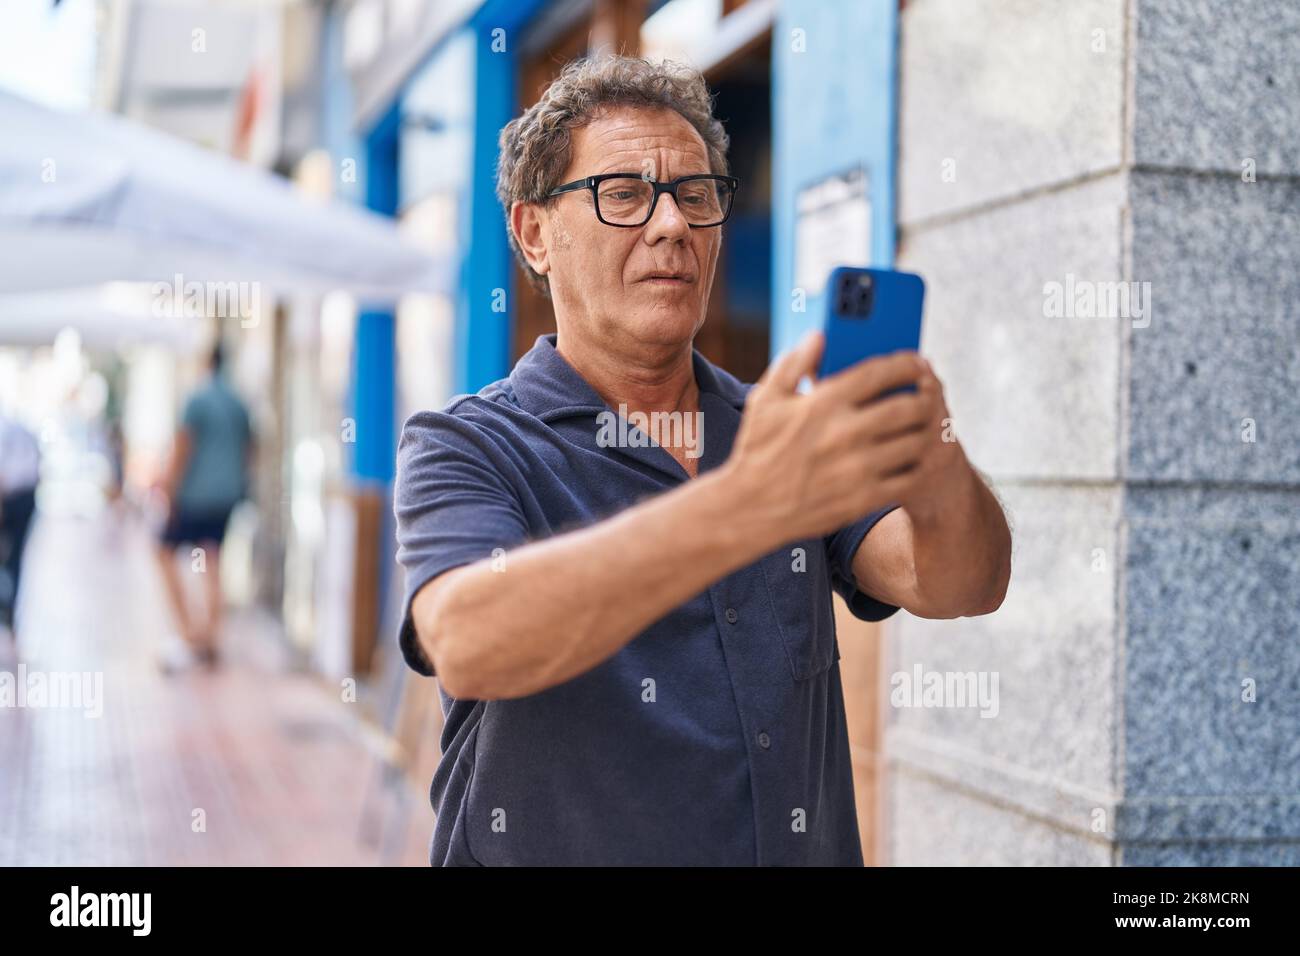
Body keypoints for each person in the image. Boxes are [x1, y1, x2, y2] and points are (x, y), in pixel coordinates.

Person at [394, 56, 1012, 866]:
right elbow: (468, 638)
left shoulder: (782, 432)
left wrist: (936, 462)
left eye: (696, 195)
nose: (672, 226)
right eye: (623, 195)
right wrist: (743, 506)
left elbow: (965, 582)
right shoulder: (467, 445)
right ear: (535, 233)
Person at [155, 342, 253, 673]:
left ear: (205, 361)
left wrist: (169, 490)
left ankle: (188, 630)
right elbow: (250, 449)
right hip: (225, 496)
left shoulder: (197, 400)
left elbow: (183, 447)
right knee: (212, 561)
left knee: (165, 553)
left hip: (194, 496)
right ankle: (210, 634)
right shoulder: (239, 404)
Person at [0, 412, 40, 648]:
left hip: (14, 497)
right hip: (25, 495)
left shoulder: (8, 428)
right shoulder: (20, 425)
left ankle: (8, 611)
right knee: (14, 559)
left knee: (13, 559)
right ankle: (9, 611)